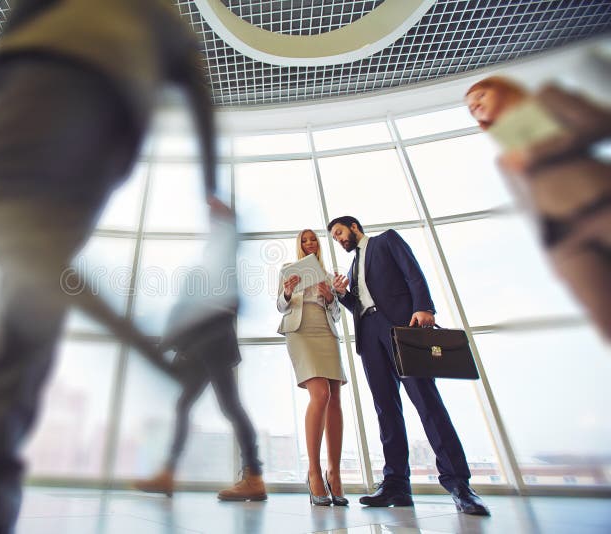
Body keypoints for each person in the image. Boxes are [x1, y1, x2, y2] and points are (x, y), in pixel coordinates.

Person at [0, 1, 217, 533]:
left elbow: (27, 10)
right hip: (110, 125)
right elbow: (196, 81)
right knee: (31, 287)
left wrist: (0, 67)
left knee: (15, 252)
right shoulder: (160, 12)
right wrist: (210, 182)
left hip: (42, 81)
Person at [326, 216, 489, 516]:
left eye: (339, 233)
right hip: (370, 336)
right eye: (335, 238)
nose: (339, 240)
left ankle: (459, 485)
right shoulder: (352, 268)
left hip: (402, 329)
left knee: (427, 402)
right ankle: (396, 484)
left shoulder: (386, 241)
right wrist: (342, 295)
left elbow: (413, 273)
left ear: (353, 226)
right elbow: (359, 307)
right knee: (386, 410)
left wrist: (424, 306)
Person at [134, 198, 266, 502]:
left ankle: (254, 477)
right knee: (188, 406)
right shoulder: (205, 264)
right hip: (200, 345)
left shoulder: (221, 253)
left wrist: (226, 216)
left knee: (230, 407)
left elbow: (231, 238)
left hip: (214, 341)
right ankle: (168, 473)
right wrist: (170, 342)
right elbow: (184, 310)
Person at [465, 76, 611, 341]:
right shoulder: (506, 157)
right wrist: (553, 255)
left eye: (480, 96)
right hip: (564, 240)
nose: (475, 106)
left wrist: (536, 152)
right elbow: (529, 207)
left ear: (502, 89)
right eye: (470, 106)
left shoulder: (547, 99)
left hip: (600, 204)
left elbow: (601, 122)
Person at [277, 230, 348, 506]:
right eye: (304, 241)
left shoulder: (329, 276)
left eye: (313, 240)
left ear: (318, 245)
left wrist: (330, 297)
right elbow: (281, 306)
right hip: (301, 332)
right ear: (299, 246)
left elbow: (338, 315)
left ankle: (335, 473)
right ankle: (314, 472)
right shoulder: (288, 271)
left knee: (334, 399)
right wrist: (287, 291)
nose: (309, 244)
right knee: (319, 395)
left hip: (326, 333)